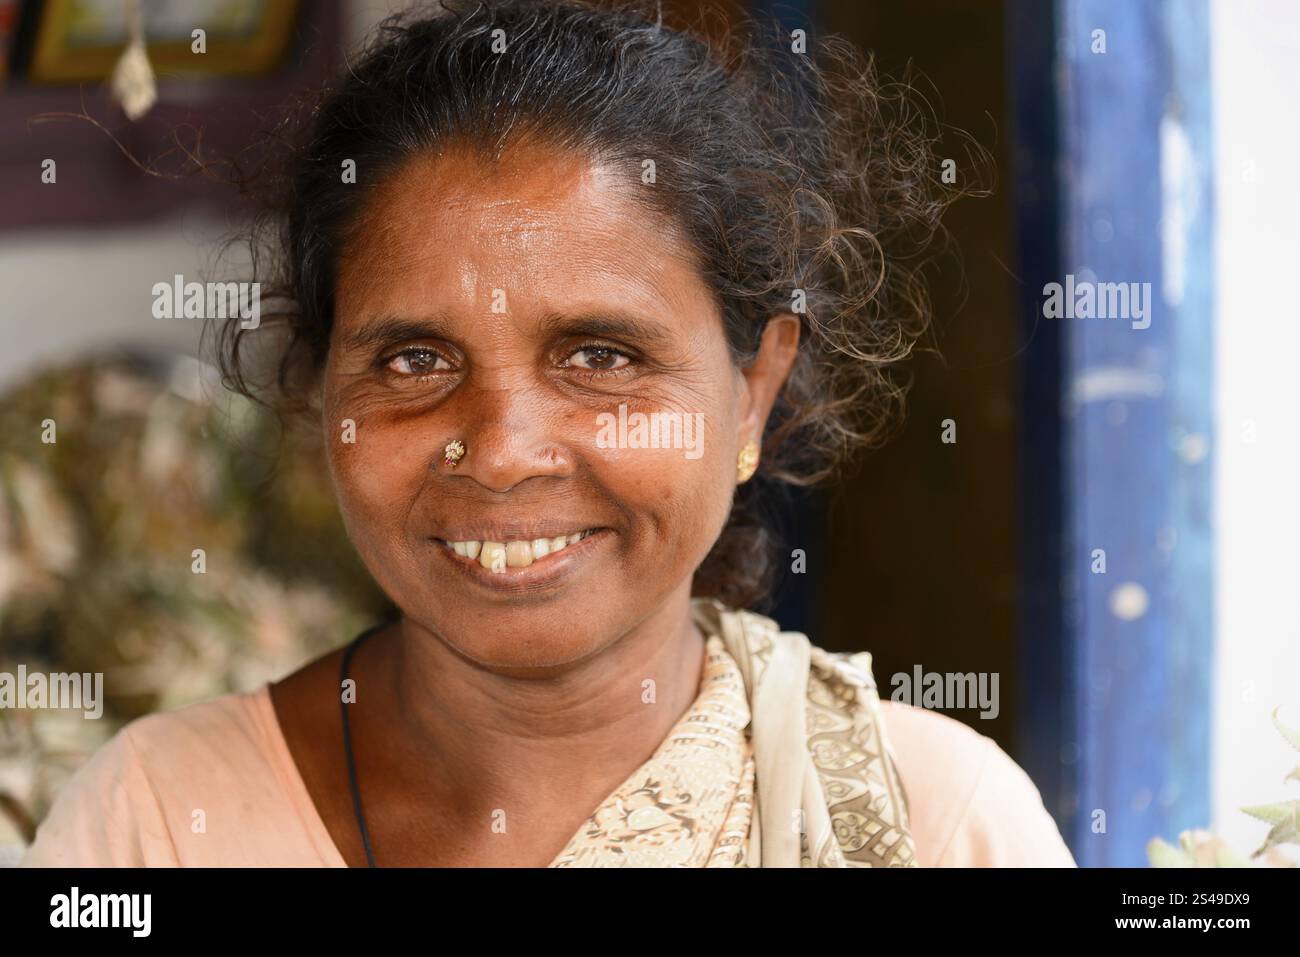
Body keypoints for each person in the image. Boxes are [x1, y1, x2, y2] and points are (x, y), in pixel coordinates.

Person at [21, 0, 1073, 867]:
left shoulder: (935, 823)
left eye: (601, 356)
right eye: (414, 361)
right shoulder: (152, 824)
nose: (505, 449)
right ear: (322, 395)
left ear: (752, 393)